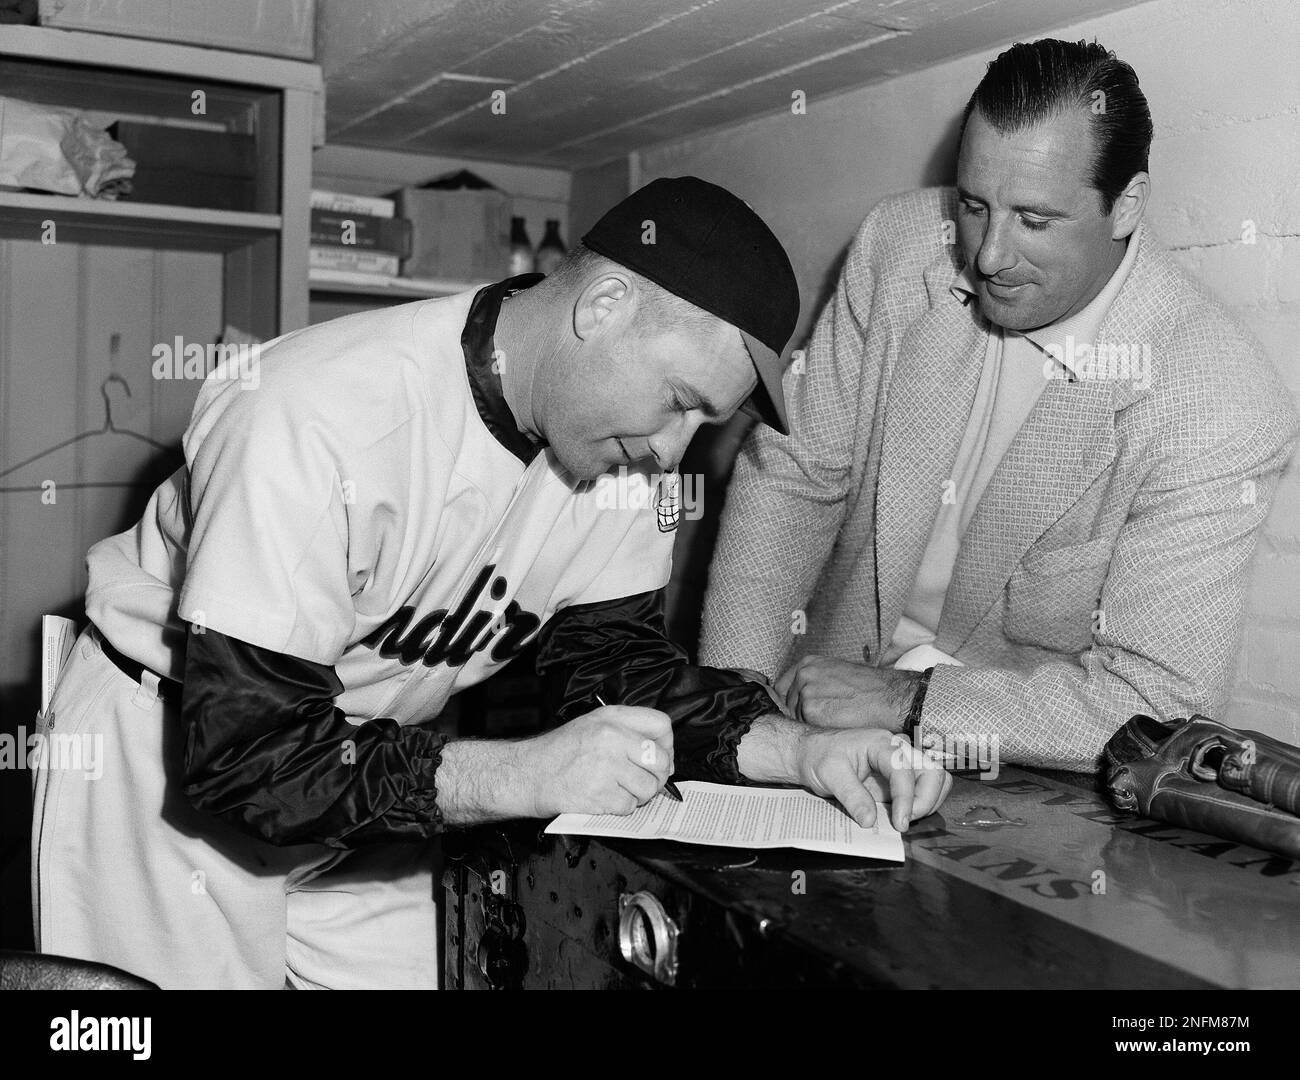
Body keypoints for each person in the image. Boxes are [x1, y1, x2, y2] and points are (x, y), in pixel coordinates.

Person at [32, 176, 951, 990]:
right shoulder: (317, 415)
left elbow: (618, 671)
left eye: (702, 423)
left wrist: (803, 755)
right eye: (678, 403)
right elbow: (249, 755)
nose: (675, 451)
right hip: (169, 762)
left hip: (362, 765)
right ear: (604, 306)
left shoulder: (620, 461)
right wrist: (520, 772)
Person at [700, 40, 1297, 773]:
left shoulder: (1219, 398)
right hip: (806, 721)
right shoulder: (899, 243)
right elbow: (792, 476)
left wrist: (908, 701)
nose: (987, 255)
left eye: (1036, 221)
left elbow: (1160, 703)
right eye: (975, 205)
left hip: (1020, 772)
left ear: (1126, 206)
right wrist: (733, 717)